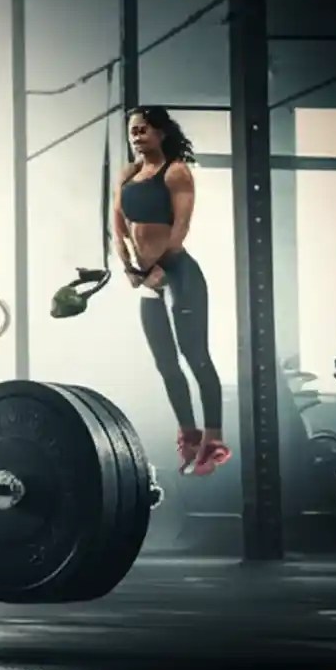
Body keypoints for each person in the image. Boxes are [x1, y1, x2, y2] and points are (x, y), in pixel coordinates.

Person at [113, 106, 230, 476]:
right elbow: (118, 227)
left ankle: (213, 442)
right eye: (133, 130)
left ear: (161, 133)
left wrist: (158, 267)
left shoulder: (176, 171)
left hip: (179, 274)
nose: (136, 136)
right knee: (166, 363)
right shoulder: (127, 175)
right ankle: (189, 438)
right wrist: (131, 268)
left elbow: (180, 228)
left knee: (196, 356)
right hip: (147, 279)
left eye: (143, 129)